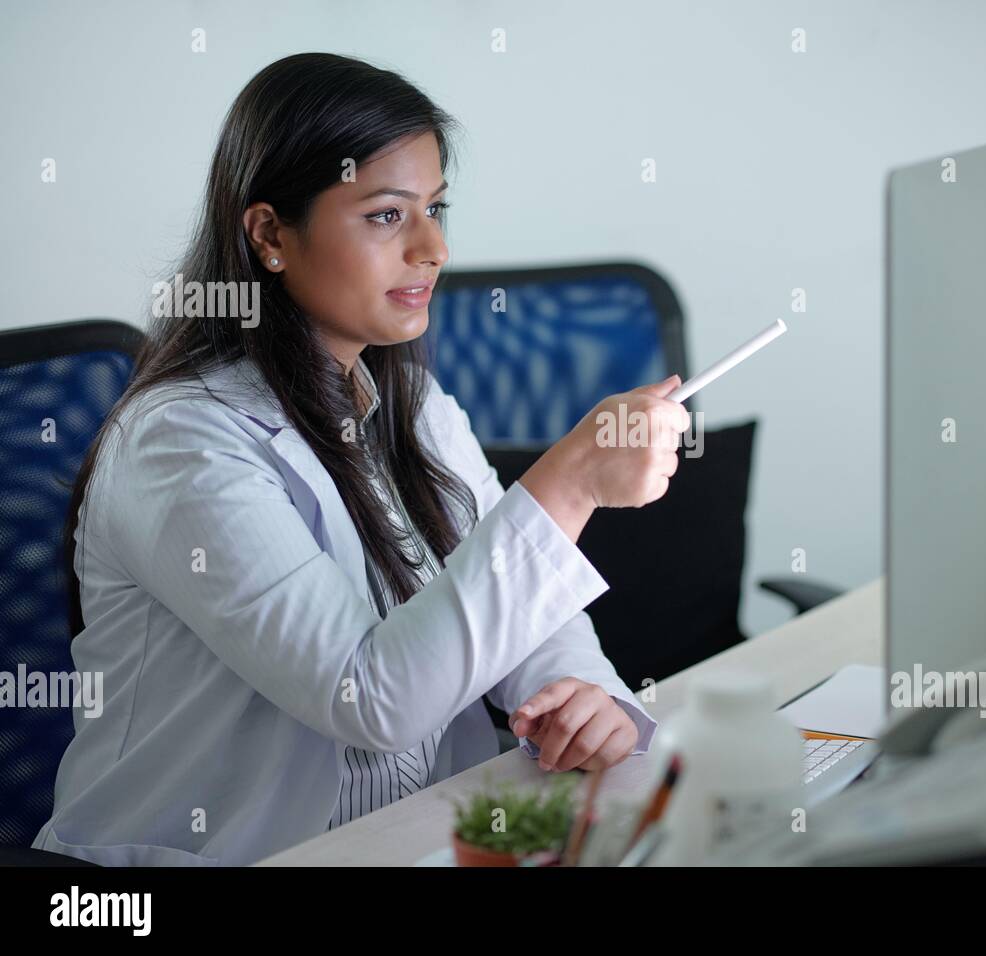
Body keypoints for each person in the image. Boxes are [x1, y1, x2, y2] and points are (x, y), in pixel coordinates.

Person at [31, 52, 690, 866]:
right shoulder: (179, 444)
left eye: (436, 208)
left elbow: (527, 620)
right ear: (270, 233)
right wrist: (570, 483)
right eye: (386, 215)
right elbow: (371, 699)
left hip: (405, 842)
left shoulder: (411, 404)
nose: (433, 247)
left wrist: (588, 699)